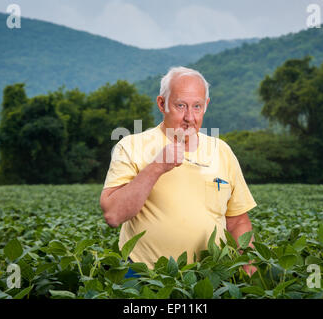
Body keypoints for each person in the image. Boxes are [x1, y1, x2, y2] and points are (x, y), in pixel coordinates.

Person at [100, 66, 257, 275]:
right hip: (142, 273)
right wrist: (156, 167)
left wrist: (250, 274)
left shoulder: (222, 151)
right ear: (162, 104)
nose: (190, 117)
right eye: (181, 106)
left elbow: (238, 222)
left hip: (210, 277)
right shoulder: (130, 146)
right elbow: (113, 215)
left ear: (206, 106)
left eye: (197, 107)